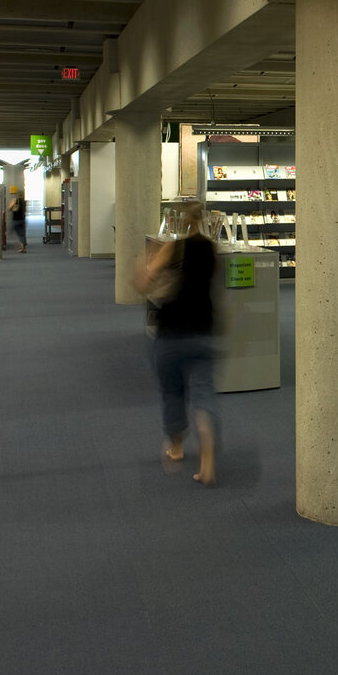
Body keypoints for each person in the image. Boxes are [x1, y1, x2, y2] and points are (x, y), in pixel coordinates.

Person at [135, 201, 218, 484]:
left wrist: (145, 259)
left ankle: (177, 447)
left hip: (171, 331)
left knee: (172, 392)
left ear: (182, 222)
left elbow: (144, 283)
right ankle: (207, 458)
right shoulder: (210, 249)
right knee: (204, 393)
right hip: (204, 329)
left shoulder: (173, 248)